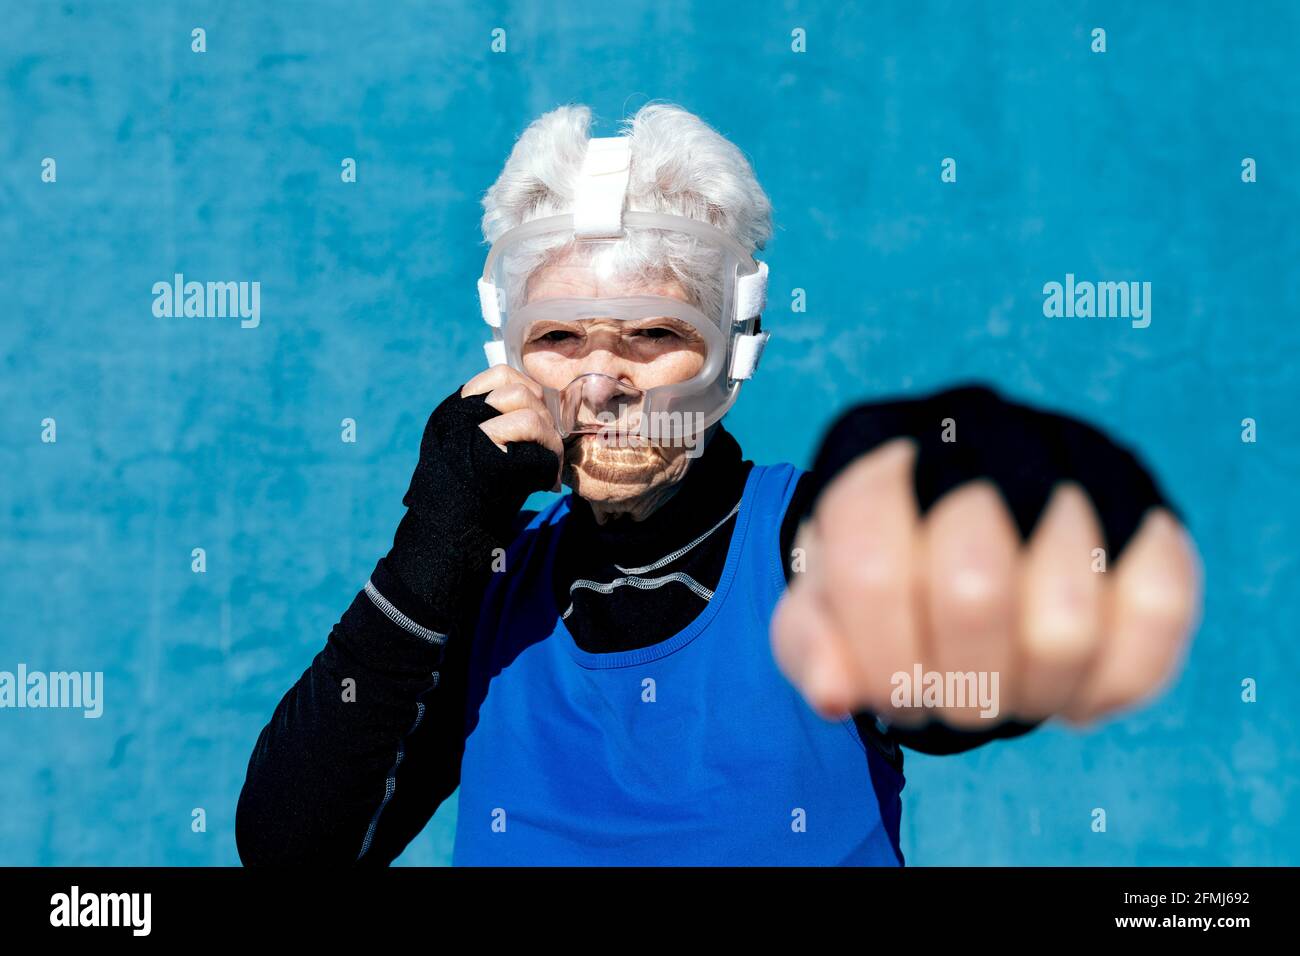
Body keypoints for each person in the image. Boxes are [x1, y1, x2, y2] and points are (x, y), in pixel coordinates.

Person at [236, 103, 1201, 866]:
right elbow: (292, 849)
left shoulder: (810, 541)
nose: (600, 385)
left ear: (731, 352)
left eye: (653, 336)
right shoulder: (485, 592)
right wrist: (433, 545)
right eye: (560, 338)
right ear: (509, 356)